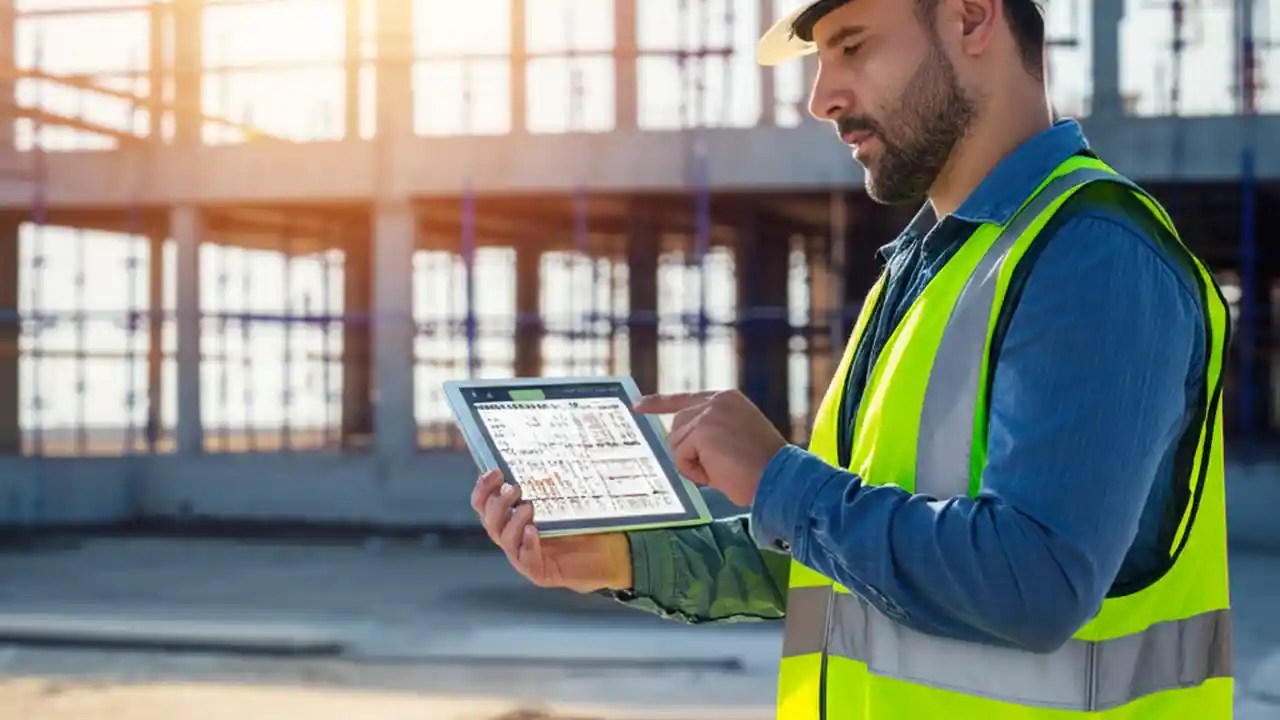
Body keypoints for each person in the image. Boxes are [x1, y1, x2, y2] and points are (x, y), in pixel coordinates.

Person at [471, 0, 1233, 717]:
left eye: (854, 46)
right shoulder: (924, 271)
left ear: (970, 16)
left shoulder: (1095, 255)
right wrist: (626, 558)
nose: (821, 98)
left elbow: (1030, 583)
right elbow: (847, 553)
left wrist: (777, 476)